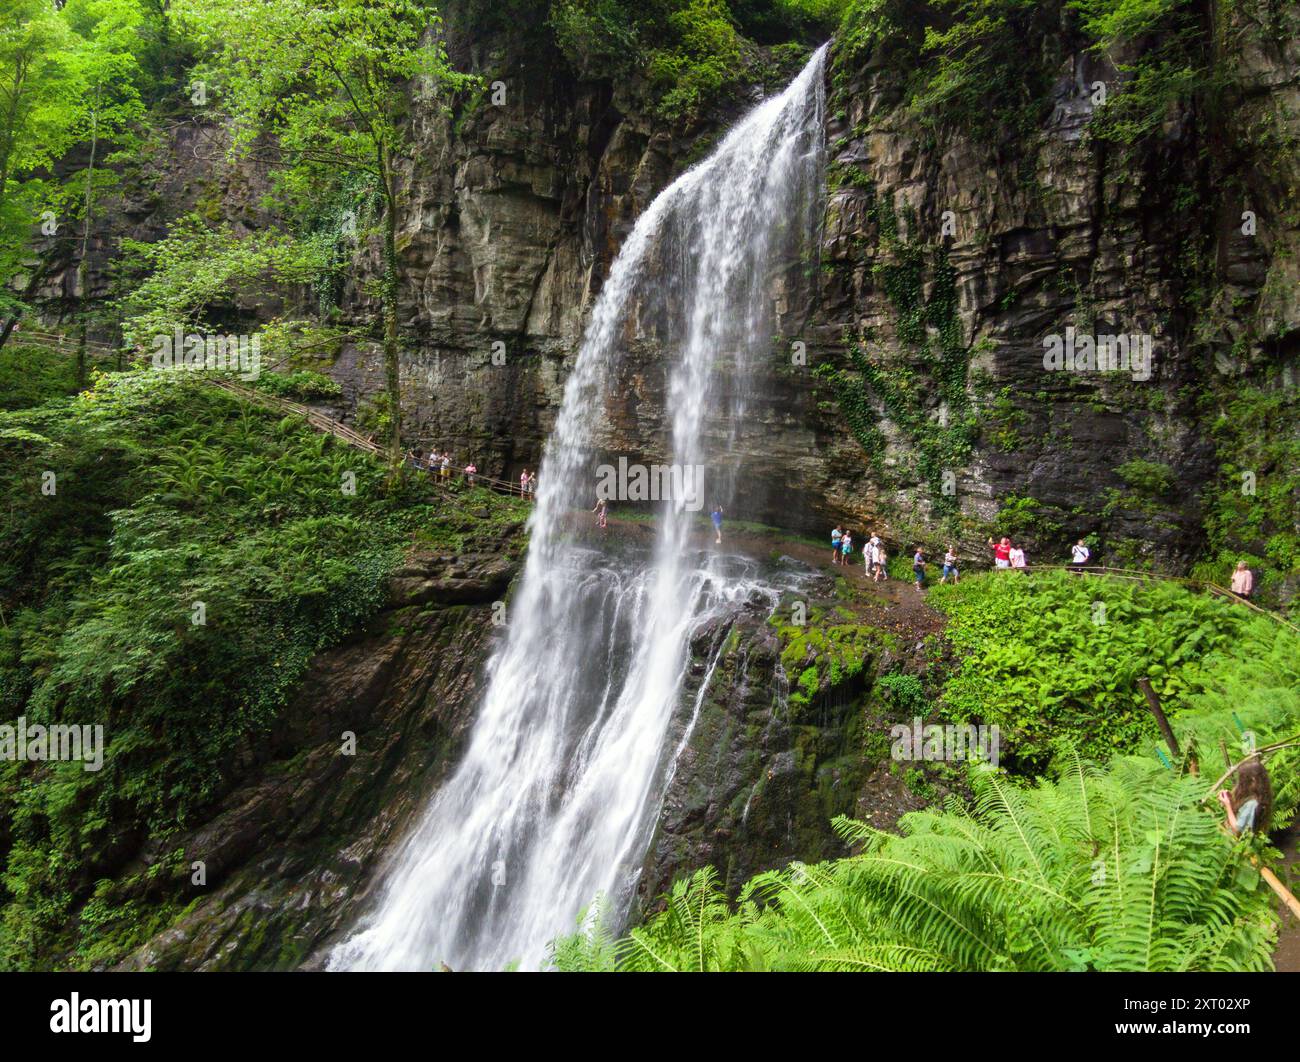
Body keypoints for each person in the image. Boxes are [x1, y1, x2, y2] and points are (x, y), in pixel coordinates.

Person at [1218, 757, 1273, 836]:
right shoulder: (1260, 798)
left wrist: (1228, 805)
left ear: (1252, 780)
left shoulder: (1252, 804)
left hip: (1234, 842)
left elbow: (1237, 829)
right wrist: (1231, 801)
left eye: (1242, 779)